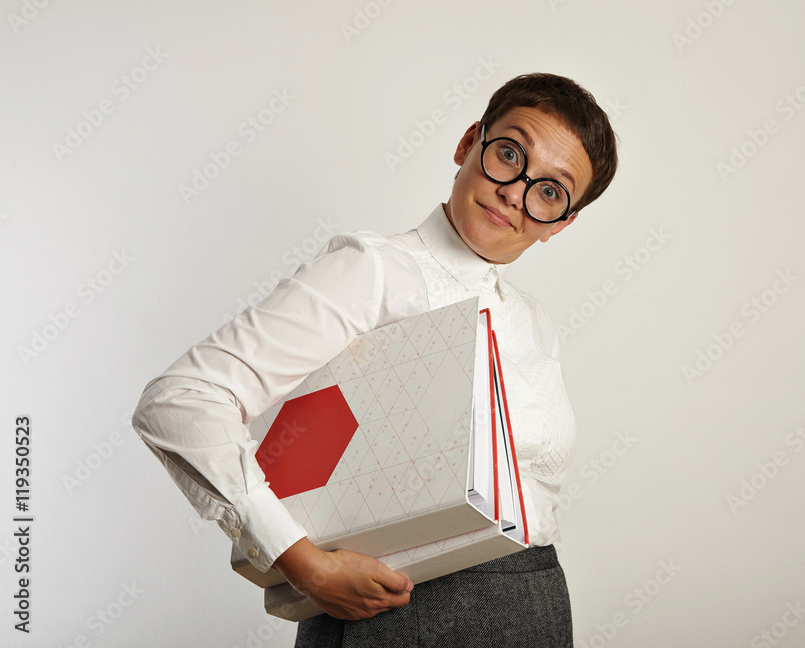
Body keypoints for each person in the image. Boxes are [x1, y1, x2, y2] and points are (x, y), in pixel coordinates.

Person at [132, 72, 619, 647]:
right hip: (397, 612)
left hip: (533, 604)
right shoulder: (376, 271)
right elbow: (181, 400)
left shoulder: (533, 322)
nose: (516, 192)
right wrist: (301, 560)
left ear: (561, 224)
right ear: (469, 144)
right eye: (510, 154)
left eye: (550, 191)